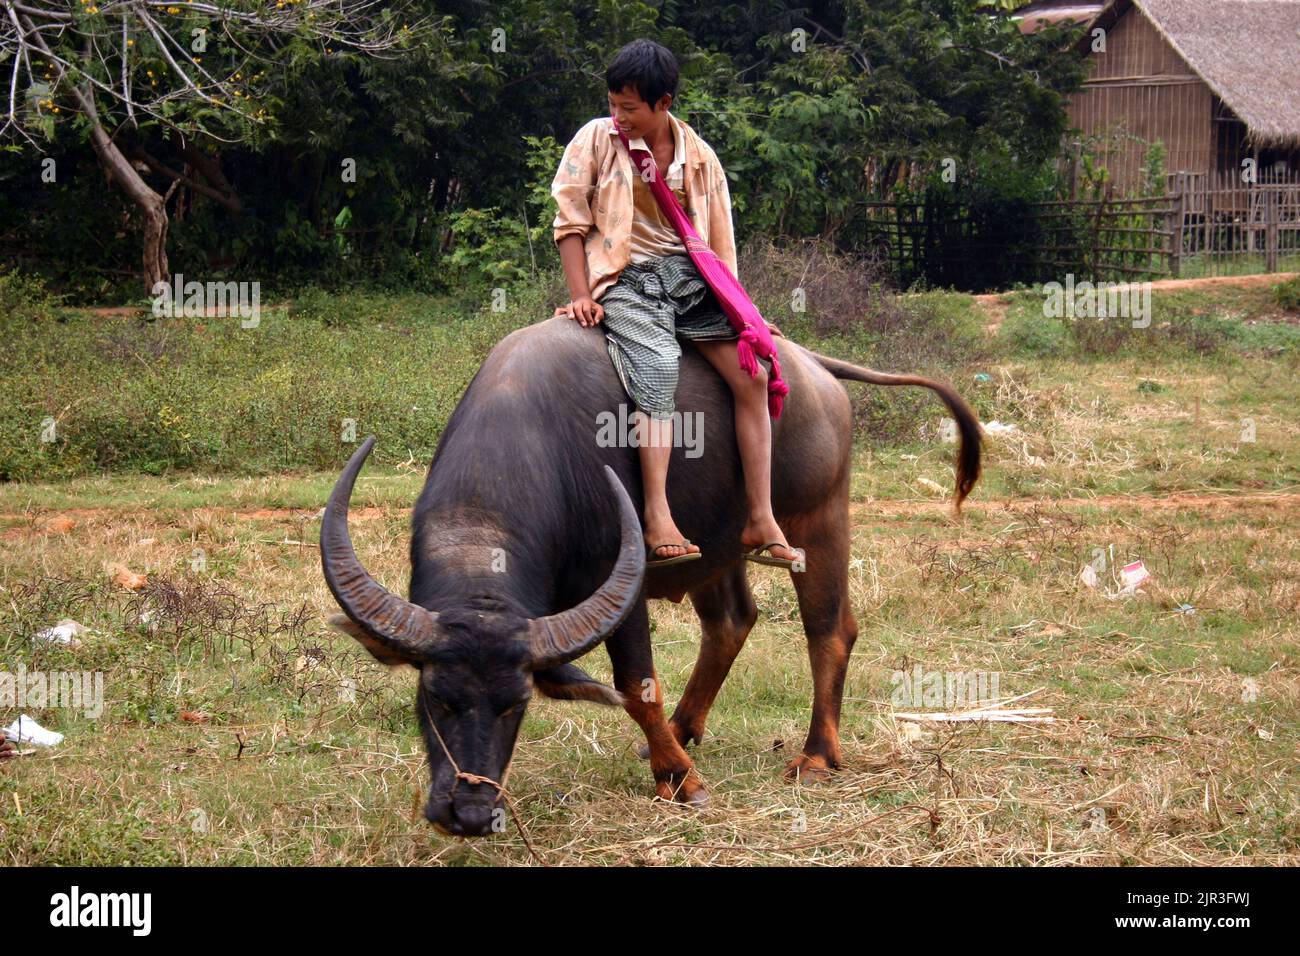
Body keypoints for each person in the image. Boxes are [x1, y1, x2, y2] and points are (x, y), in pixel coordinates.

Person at [551, 38, 799, 568]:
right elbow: (569, 221)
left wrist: (743, 314)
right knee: (658, 369)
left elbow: (719, 246)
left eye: (630, 107)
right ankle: (658, 514)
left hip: (688, 281)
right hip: (626, 282)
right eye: (614, 103)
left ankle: (761, 518)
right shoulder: (595, 139)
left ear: (664, 103)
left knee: (753, 372)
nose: (618, 116)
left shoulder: (699, 157)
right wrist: (579, 295)